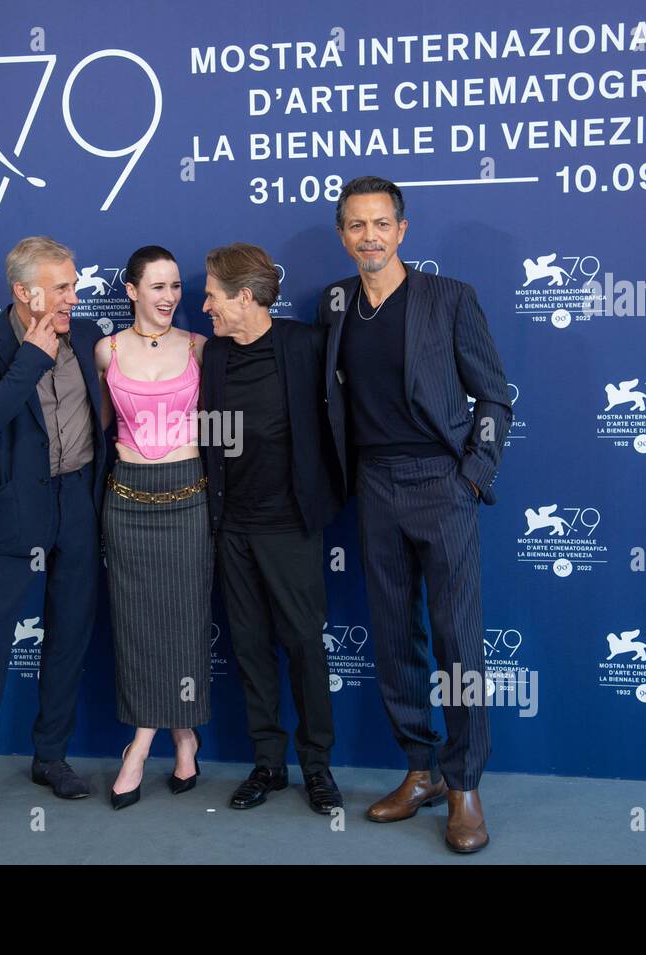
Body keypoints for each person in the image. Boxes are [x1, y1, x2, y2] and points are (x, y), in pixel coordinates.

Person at [318, 176, 511, 852]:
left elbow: (494, 397)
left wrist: (472, 477)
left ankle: (464, 785)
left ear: (402, 230)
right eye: (356, 225)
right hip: (374, 487)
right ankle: (420, 769)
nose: (369, 236)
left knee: (458, 639)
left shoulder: (449, 297)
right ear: (342, 234)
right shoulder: (334, 304)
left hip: (441, 482)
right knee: (394, 637)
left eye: (381, 223)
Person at [0, 236, 107, 828]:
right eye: (61, 287)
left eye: (73, 284)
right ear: (23, 292)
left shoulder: (87, 336)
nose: (73, 297)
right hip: (16, 509)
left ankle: (50, 757)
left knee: (69, 635)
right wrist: (31, 356)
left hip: (78, 500)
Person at [198, 243, 346, 815]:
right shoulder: (213, 355)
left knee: (305, 645)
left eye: (212, 296)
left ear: (245, 296)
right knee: (250, 646)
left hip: (289, 525)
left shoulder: (304, 345)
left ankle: (317, 765)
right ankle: (268, 764)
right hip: (231, 528)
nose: (205, 306)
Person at [94, 245, 212, 810]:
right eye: (158, 286)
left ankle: (150, 743)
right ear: (132, 290)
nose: (169, 297)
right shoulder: (106, 350)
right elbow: (98, 428)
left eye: (176, 286)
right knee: (136, 626)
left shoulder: (199, 347)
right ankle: (174, 737)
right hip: (127, 501)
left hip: (188, 498)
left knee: (186, 620)